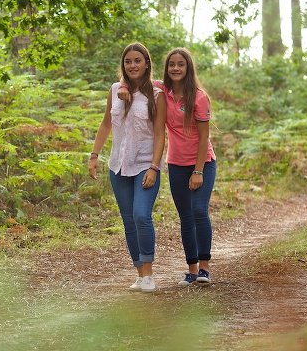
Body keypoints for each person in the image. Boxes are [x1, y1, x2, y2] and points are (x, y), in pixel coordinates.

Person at [88, 42, 166, 292]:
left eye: (137, 61)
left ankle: (149, 273)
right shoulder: (114, 90)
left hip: (145, 164)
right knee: (128, 220)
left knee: (141, 215)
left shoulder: (156, 95)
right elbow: (105, 125)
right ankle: (139, 273)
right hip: (118, 166)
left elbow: (160, 134)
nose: (132, 65)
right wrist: (94, 155)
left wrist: (154, 167)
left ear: (146, 64)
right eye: (128, 61)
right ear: (123, 65)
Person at [158, 47, 217, 287]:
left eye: (180, 64)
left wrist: (198, 171)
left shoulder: (199, 97)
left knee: (199, 211)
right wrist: (122, 88)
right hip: (175, 164)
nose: (175, 68)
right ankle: (191, 270)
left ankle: (204, 268)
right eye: (171, 64)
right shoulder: (162, 91)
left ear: (188, 68)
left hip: (202, 162)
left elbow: (204, 137)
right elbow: (136, 80)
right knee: (185, 217)